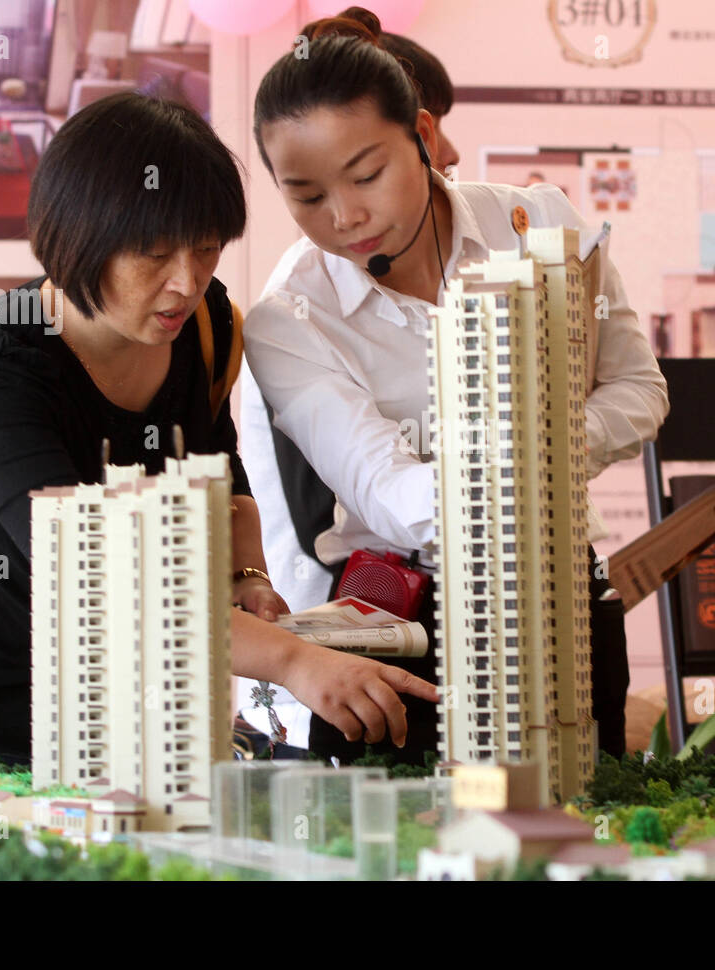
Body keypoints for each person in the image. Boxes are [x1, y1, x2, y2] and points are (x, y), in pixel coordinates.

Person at [0, 92, 436, 779]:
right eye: (152, 254)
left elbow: (218, 474)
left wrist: (245, 575)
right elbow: (99, 575)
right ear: (77, 237)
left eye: (205, 249)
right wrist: (291, 661)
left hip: (83, 716)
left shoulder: (206, 325)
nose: (185, 282)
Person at [243, 8, 669, 765]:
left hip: (564, 596)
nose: (345, 217)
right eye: (306, 197)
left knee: (579, 829)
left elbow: (638, 391)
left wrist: (537, 449)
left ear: (425, 135)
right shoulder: (289, 317)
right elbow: (386, 491)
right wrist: (531, 467)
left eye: (367, 174)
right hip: (400, 625)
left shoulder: (536, 225)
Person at [235, 23, 460, 749]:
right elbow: (335, 517)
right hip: (338, 653)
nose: (450, 156)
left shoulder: (459, 255)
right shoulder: (297, 313)